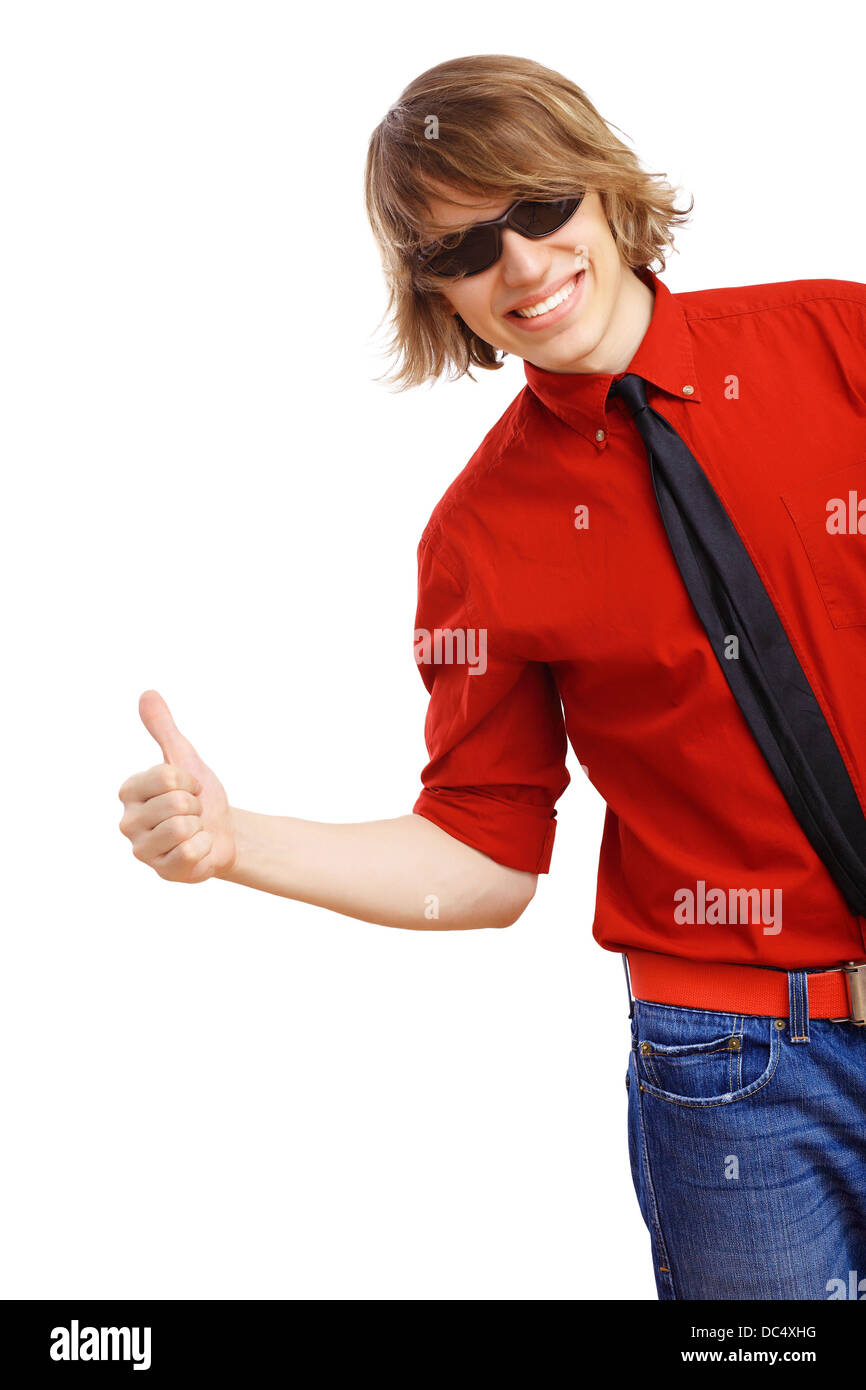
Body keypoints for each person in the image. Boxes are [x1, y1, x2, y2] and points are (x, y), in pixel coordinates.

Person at [117, 54, 866, 1300]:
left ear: (604, 189)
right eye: (465, 248)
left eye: (539, 207)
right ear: (435, 294)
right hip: (733, 1064)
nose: (520, 266)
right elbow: (483, 856)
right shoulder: (478, 537)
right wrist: (234, 841)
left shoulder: (835, 340)